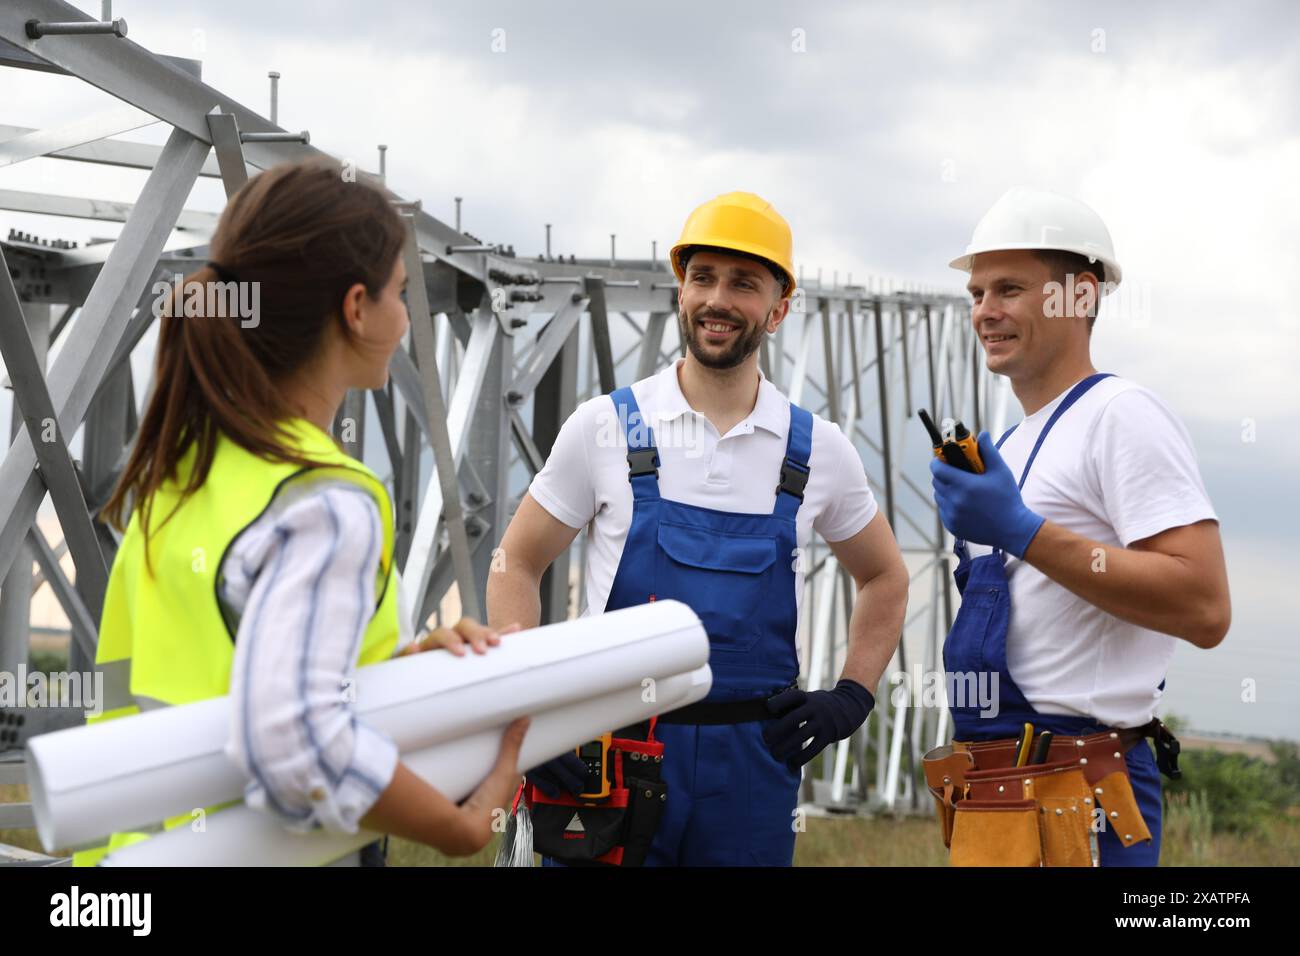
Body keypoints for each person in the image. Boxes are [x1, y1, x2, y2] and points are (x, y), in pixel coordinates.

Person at [80, 159, 526, 866]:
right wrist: (454, 826)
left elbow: (229, 667)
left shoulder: (181, 473)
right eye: (401, 294)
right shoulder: (325, 501)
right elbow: (293, 741)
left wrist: (395, 671)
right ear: (356, 309)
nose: (407, 319)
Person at [488, 191, 909, 866]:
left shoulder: (816, 449)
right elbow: (516, 561)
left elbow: (885, 575)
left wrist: (852, 696)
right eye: (702, 277)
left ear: (778, 309)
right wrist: (529, 718)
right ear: (680, 291)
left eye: (744, 283)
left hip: (753, 770)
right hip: (611, 755)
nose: (718, 298)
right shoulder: (604, 428)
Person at [930, 186, 1230, 865]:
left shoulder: (1122, 415)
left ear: (1082, 296)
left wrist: (1021, 531)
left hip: (1082, 798)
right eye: (976, 293)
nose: (985, 311)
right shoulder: (1005, 448)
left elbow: (1205, 607)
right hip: (996, 797)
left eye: (1009, 289)